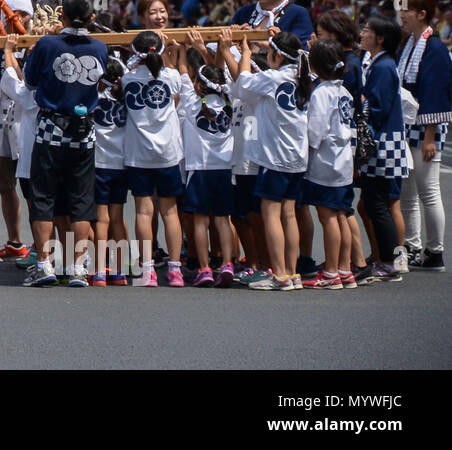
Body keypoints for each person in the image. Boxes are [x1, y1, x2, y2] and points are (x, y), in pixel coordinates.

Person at [11, 0, 107, 288]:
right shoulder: (100, 47)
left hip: (50, 128)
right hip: (83, 133)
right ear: (92, 18)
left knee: (43, 198)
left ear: (61, 14)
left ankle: (44, 264)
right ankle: (77, 266)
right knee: (80, 201)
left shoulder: (47, 45)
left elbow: (29, 82)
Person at [223, 29, 312, 291]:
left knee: (271, 214)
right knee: (289, 214)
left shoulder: (272, 78)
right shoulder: (302, 74)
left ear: (276, 55)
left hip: (275, 157)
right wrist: (270, 44)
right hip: (298, 157)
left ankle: (280, 275)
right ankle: (292, 274)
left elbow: (242, 85)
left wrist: (245, 54)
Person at [120, 29, 186, 287]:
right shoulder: (171, 76)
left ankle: (147, 269)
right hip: (168, 152)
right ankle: (175, 269)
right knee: (170, 211)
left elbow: (131, 68)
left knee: (143, 212)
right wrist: (169, 50)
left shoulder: (127, 78)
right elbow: (177, 83)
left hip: (139, 154)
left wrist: (133, 56)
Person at [397, 0, 451, 272]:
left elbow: (436, 93)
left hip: (425, 128)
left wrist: (430, 137)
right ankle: (412, 244)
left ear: (422, 14)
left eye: (407, 10)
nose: (402, 15)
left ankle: (435, 250)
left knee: (428, 191)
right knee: (408, 192)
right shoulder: (411, 43)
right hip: (408, 125)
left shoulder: (435, 48)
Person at [176, 46, 236, 288]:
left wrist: (181, 49)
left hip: (199, 170)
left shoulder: (191, 102)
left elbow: (182, 71)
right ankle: (228, 264)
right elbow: (227, 77)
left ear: (198, 85)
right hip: (224, 169)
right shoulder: (230, 100)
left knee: (200, 221)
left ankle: (204, 268)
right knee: (222, 219)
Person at [355, 16, 408, 284]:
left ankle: (388, 261)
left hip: (382, 143)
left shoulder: (383, 66)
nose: (362, 34)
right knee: (376, 203)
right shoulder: (381, 63)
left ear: (381, 39)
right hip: (386, 141)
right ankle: (387, 259)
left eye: (367, 31)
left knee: (378, 204)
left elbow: (376, 107)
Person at [0, 0, 35, 264]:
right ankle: (15, 241)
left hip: (26, 129)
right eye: (12, 15)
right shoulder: (1, 45)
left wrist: (9, 53)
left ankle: (40, 242)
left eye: (23, 15)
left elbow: (23, 86)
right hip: (2, 126)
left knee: (32, 189)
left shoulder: (35, 47)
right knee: (6, 186)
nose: (18, 20)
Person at [300, 40, 356, 289]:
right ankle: (344, 269)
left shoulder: (322, 92)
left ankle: (331, 272)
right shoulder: (344, 91)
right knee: (341, 215)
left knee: (328, 216)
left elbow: (315, 132)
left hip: (326, 162)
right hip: (343, 160)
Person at [90, 56, 130, 285]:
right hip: (121, 164)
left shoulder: (93, 98)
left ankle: (98, 269)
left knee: (101, 219)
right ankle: (119, 270)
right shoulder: (125, 98)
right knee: (117, 217)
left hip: (99, 163)